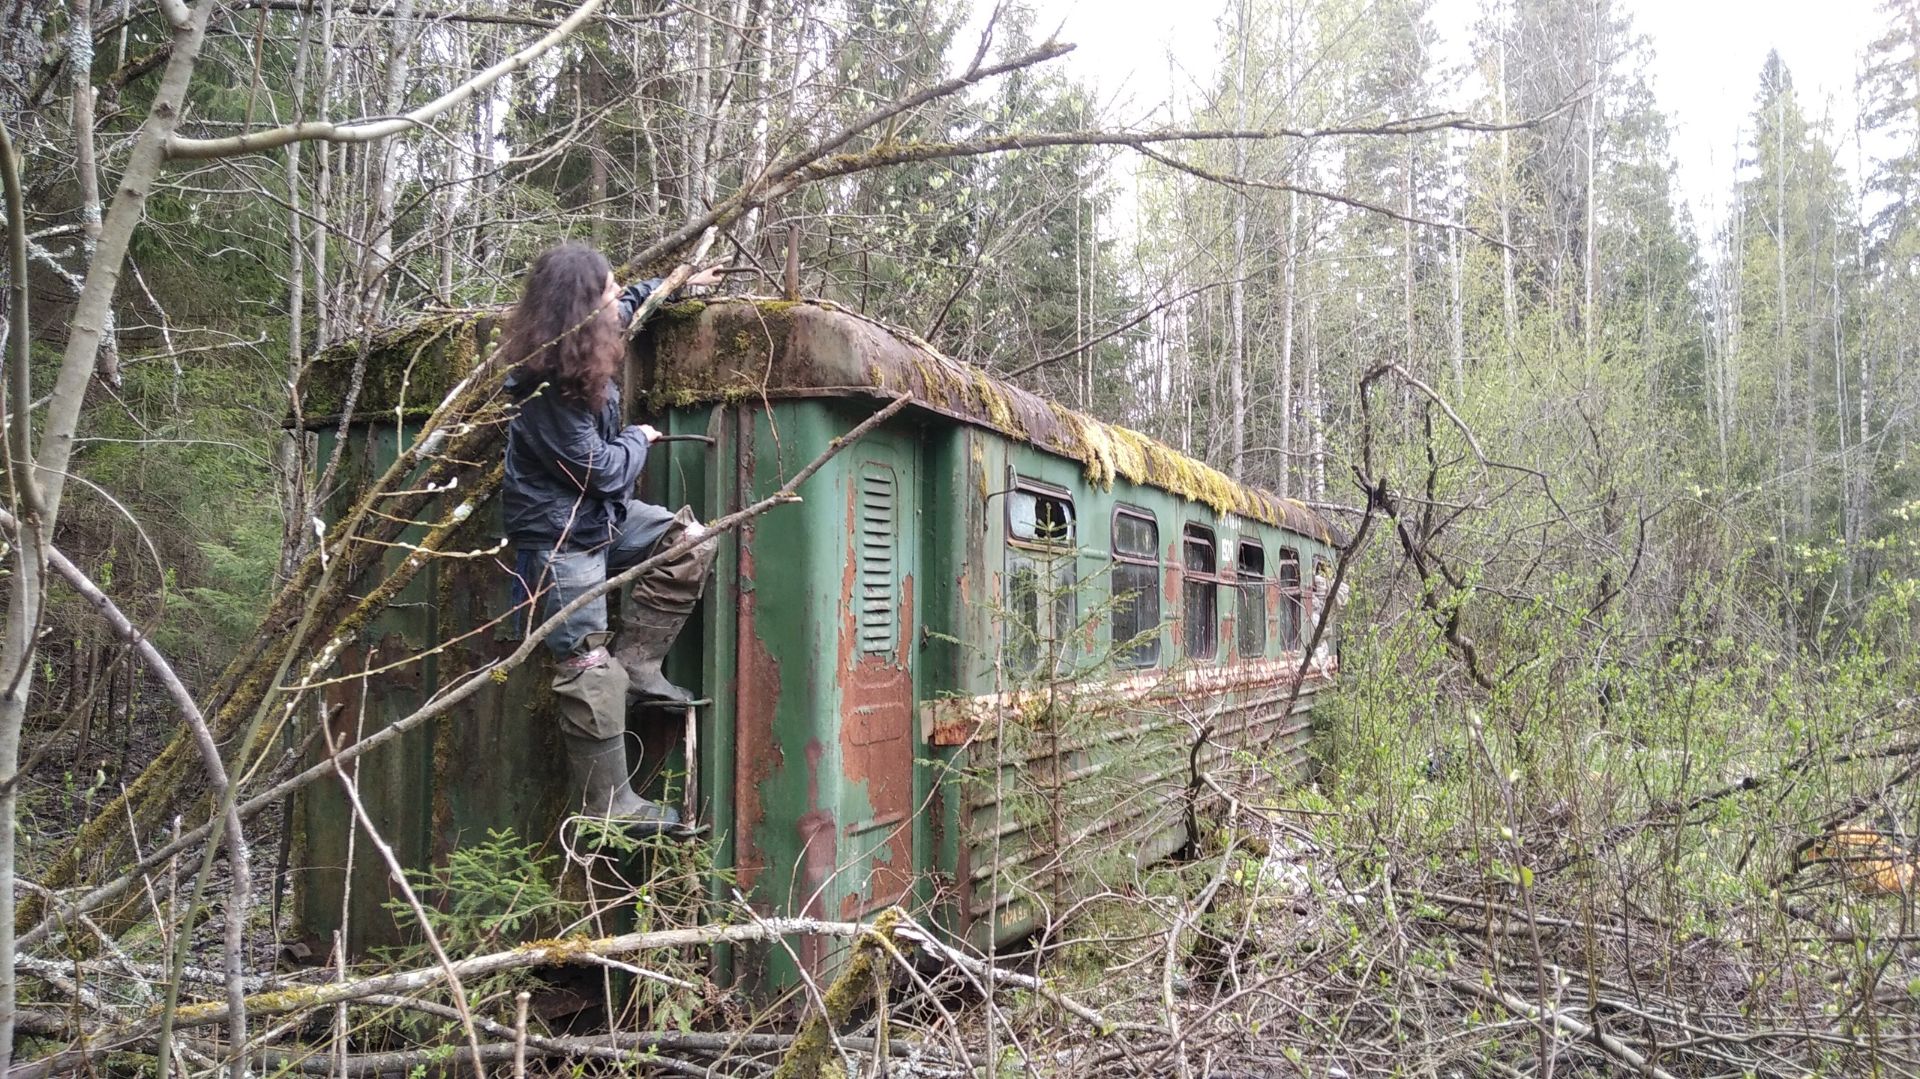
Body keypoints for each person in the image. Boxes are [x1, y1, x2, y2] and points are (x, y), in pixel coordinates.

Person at [496, 242, 723, 828]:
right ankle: (610, 805)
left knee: (690, 540)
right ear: (580, 305)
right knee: (585, 664)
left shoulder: (584, 332)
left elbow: (632, 303)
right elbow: (601, 470)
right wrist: (639, 440)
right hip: (558, 538)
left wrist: (677, 282)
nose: (615, 294)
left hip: (599, 522)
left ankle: (641, 666)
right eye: (607, 287)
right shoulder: (541, 387)